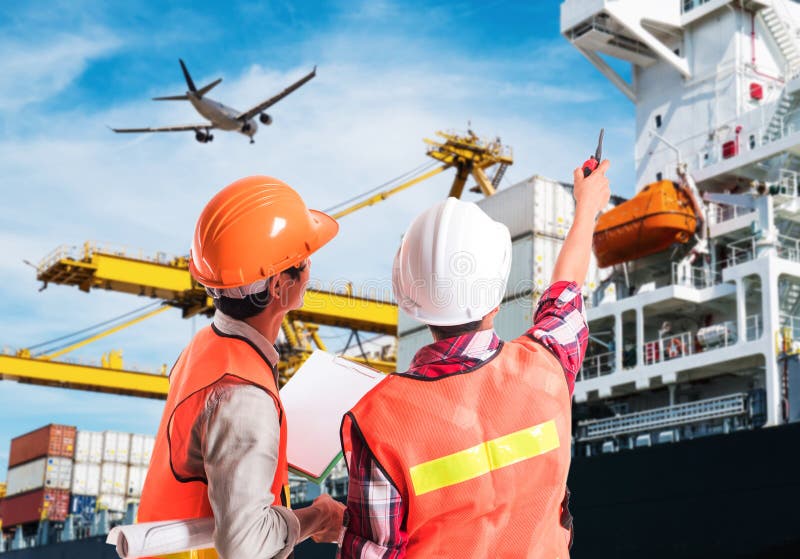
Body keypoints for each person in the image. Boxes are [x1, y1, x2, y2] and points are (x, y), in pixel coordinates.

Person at [339, 161, 611, 558]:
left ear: (411, 304)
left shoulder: (379, 420)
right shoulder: (548, 363)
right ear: (497, 295)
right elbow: (565, 293)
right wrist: (586, 206)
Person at [138, 176, 345, 559]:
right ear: (281, 285)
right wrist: (319, 516)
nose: (311, 264)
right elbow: (246, 547)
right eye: (302, 261)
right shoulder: (244, 394)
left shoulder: (203, 349)